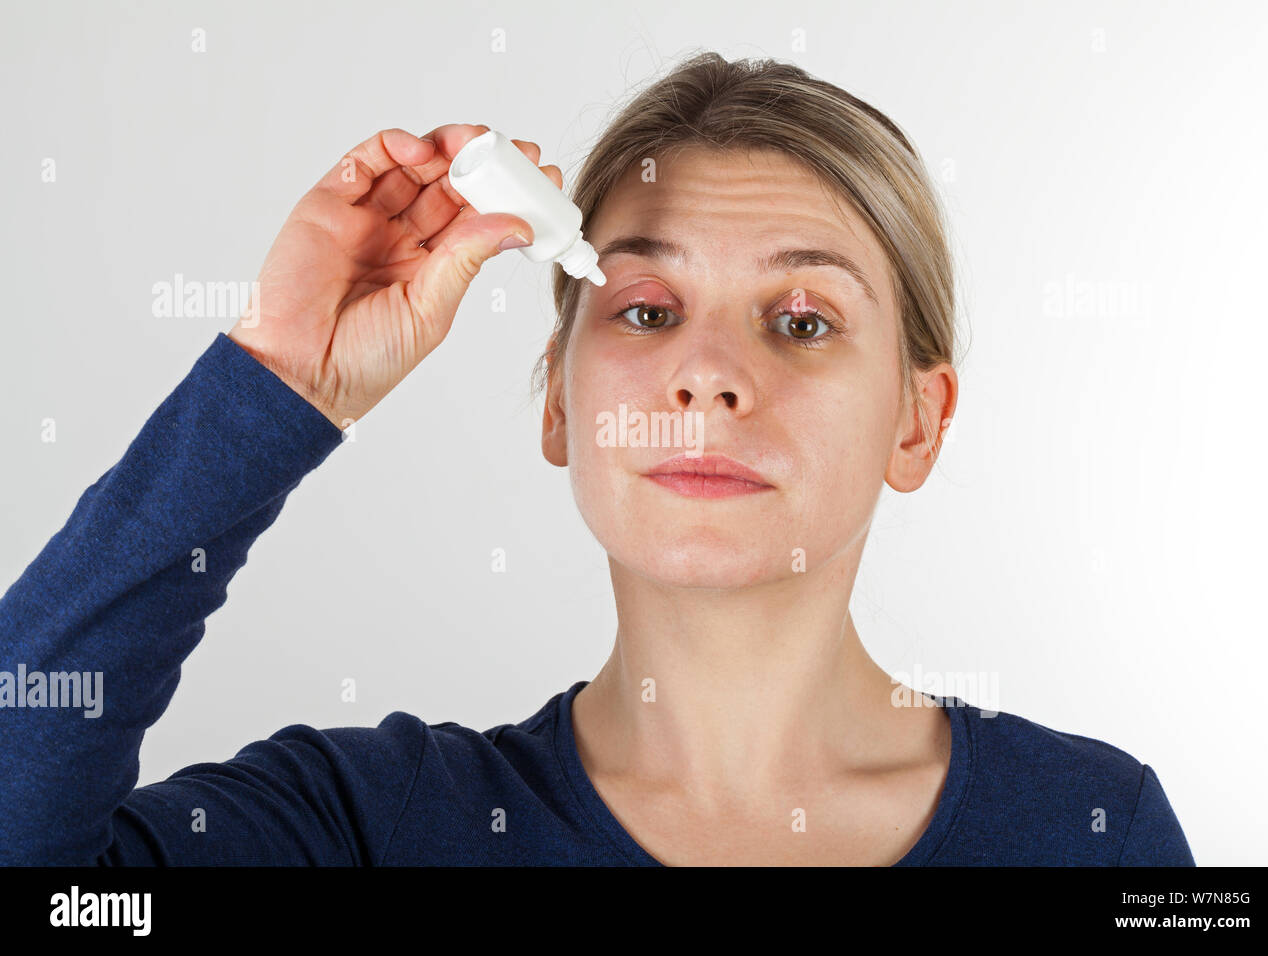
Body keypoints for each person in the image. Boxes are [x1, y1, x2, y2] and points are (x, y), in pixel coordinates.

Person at [0, 51, 1193, 866]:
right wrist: (275, 383)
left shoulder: (1092, 828)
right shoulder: (367, 825)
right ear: (559, 407)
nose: (707, 373)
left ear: (915, 421)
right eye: (642, 307)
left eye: (802, 320)